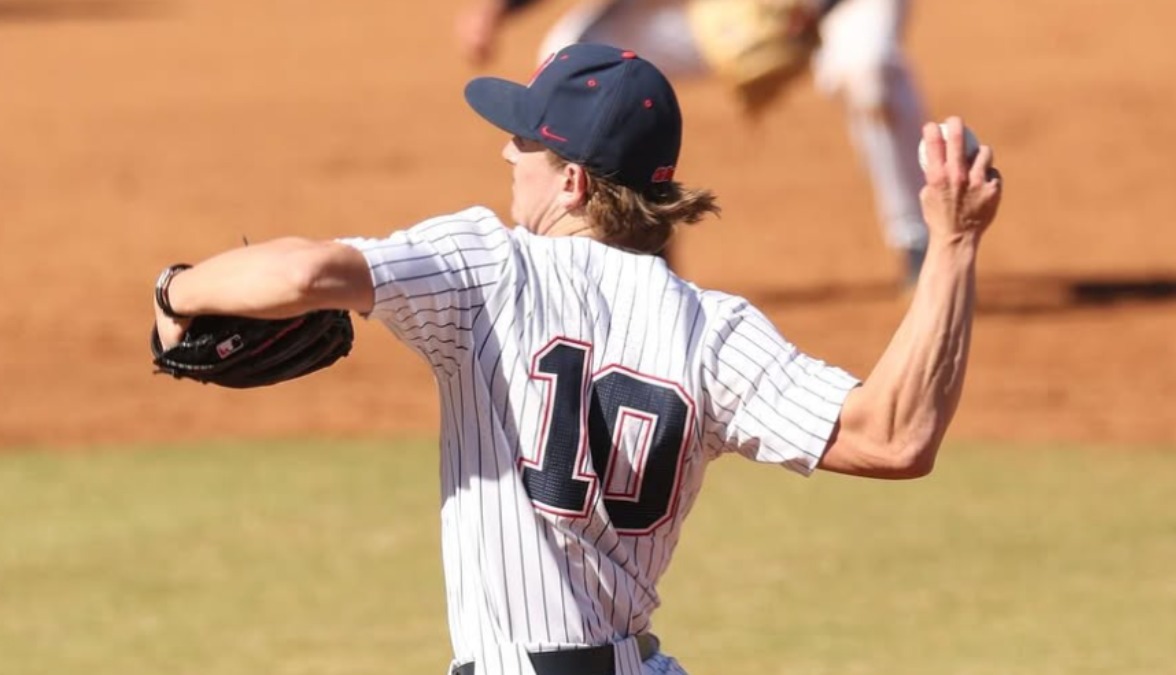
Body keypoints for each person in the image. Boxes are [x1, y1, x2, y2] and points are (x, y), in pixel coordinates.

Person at [152, 43, 1001, 675]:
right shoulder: (712, 327)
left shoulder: (486, 266)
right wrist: (955, 243)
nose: (506, 155)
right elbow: (894, 437)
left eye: (525, 144)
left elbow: (304, 273)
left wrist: (173, 292)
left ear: (574, 184)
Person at [456, 0, 934, 286]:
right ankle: (633, 243)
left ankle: (918, 239)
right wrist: (499, 7)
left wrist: (811, 8)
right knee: (576, 65)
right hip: (707, 15)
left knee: (869, 73)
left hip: (836, 8)